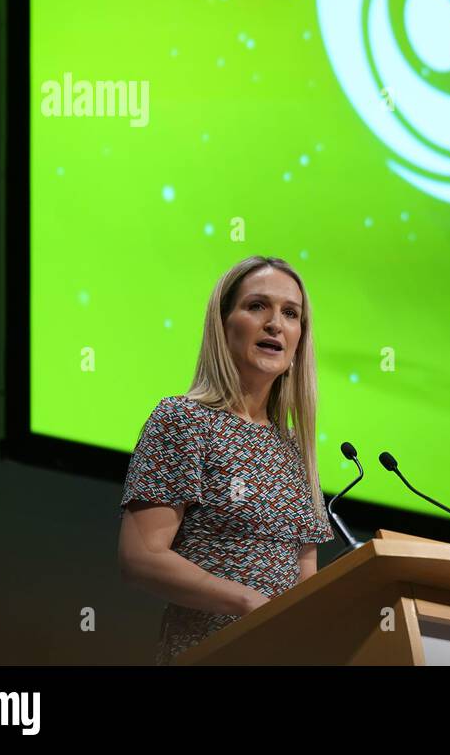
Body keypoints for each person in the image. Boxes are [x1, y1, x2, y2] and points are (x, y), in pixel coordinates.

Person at [116, 255, 335, 664]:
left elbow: (307, 581)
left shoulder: (295, 449)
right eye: (257, 306)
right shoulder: (183, 421)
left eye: (291, 314)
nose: (275, 324)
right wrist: (249, 603)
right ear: (223, 322)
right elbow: (140, 556)